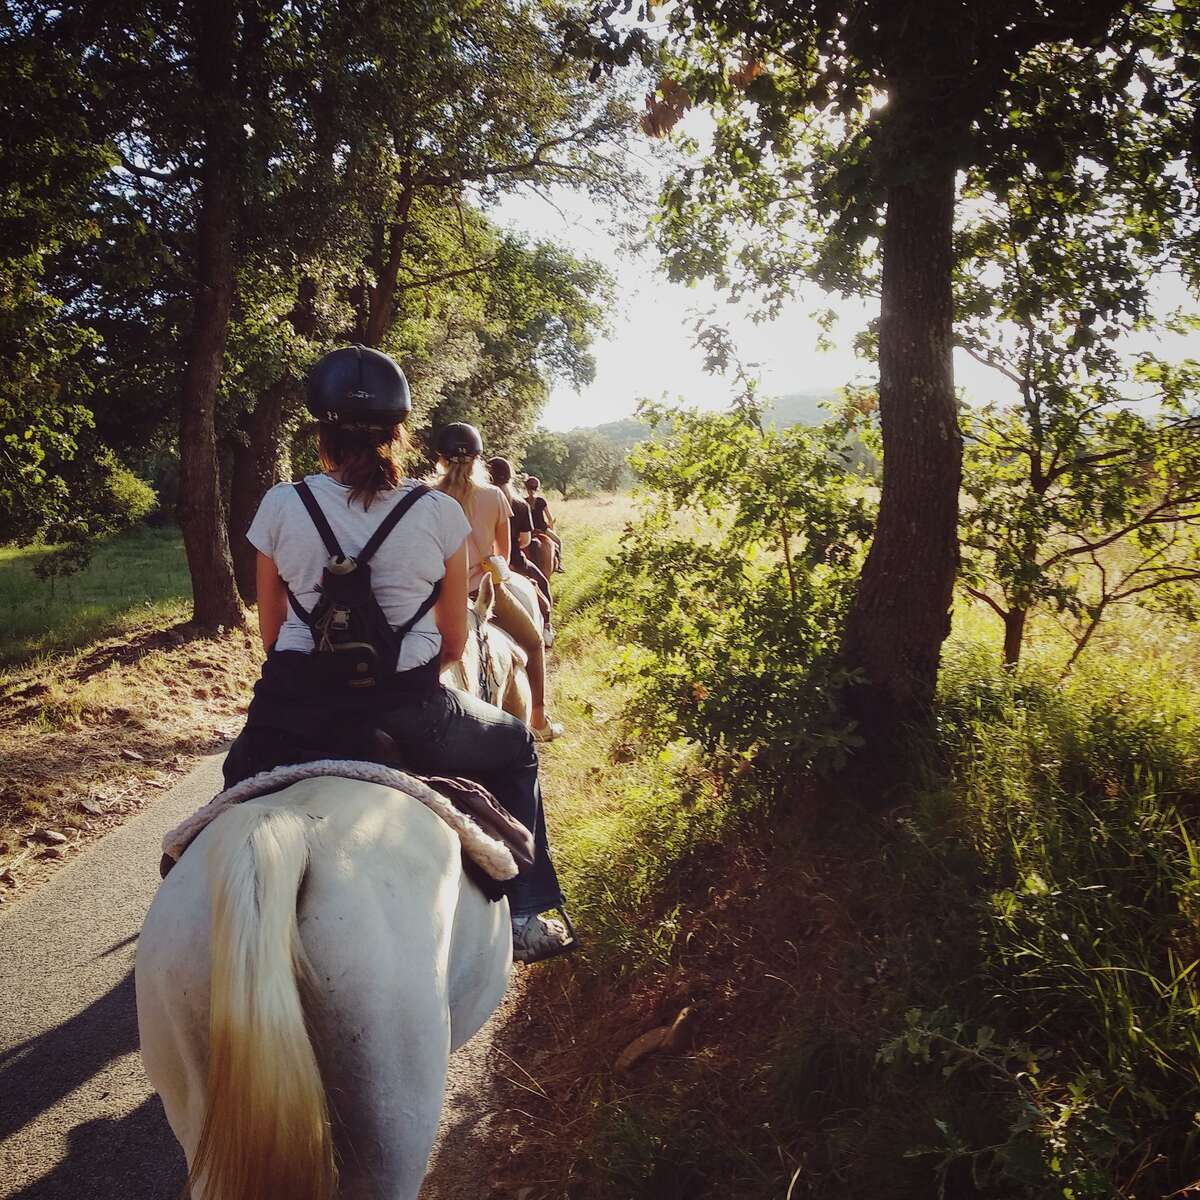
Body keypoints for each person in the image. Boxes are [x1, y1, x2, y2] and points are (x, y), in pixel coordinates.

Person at [222, 345, 576, 963]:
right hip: (407, 709)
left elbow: (273, 636)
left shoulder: (281, 505)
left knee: (229, 799)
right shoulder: (437, 512)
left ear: (322, 434)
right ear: (400, 432)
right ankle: (524, 913)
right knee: (516, 747)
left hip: (291, 713)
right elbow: (456, 642)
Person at [432, 424, 564, 742]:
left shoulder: (427, 497)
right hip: (484, 593)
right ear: (479, 459)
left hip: (436, 597)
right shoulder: (493, 496)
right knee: (532, 642)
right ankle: (538, 718)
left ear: (440, 459)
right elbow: (502, 554)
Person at [487, 456, 554, 645]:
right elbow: (525, 541)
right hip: (514, 562)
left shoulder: (475, 500)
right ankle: (547, 628)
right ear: (509, 477)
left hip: (480, 566)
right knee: (542, 584)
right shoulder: (519, 504)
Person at [524, 474, 563, 572]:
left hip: (529, 531)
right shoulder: (541, 501)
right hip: (542, 529)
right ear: (537, 488)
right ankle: (559, 565)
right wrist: (551, 528)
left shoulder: (523, 502)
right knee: (558, 542)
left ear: (526, 487)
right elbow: (550, 518)